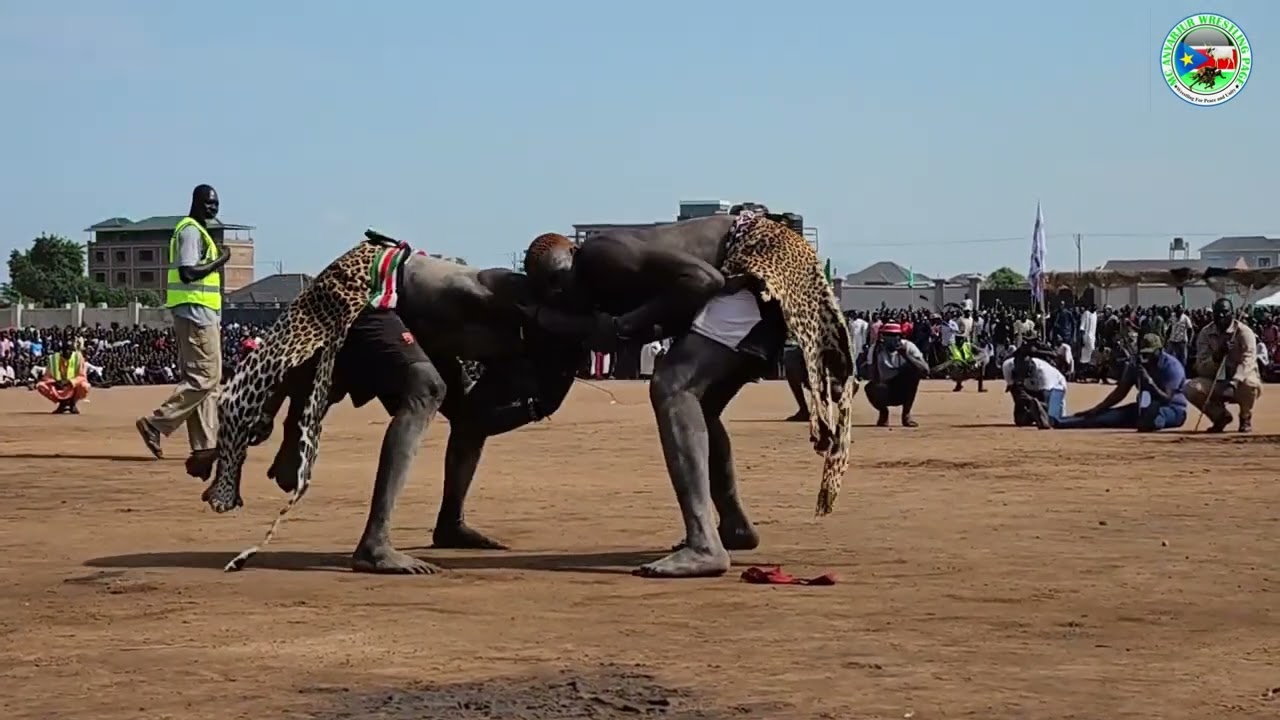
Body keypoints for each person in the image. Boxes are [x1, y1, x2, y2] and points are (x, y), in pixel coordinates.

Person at [135, 184, 230, 464]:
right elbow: (188, 273)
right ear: (196, 202)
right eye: (209, 203)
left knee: (206, 381)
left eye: (216, 203)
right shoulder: (191, 231)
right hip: (196, 313)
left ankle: (204, 445)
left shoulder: (198, 232)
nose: (213, 208)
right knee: (206, 377)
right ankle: (156, 423)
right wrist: (220, 261)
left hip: (200, 313)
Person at [1051, 334, 1186, 431]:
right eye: (1144, 353)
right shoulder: (1137, 364)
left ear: (1160, 351)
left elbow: (1167, 398)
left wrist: (1149, 382)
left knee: (1153, 420)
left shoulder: (1171, 367)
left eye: (1151, 354)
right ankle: (1058, 422)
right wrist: (1096, 410)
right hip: (1143, 406)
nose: (1147, 357)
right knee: (1103, 418)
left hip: (1171, 409)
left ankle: (1148, 421)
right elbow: (1120, 393)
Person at [1184, 297, 1261, 433]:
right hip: (1217, 381)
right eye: (1217, 312)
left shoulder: (1244, 332)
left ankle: (1245, 417)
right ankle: (1220, 416)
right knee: (1191, 388)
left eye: (1225, 312)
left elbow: (1248, 361)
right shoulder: (1205, 334)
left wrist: (1234, 382)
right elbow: (1201, 368)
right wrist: (1217, 356)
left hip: (1240, 382)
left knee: (1251, 382)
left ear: (1232, 313)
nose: (1221, 316)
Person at [864, 322, 927, 427]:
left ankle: (906, 414)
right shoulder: (875, 349)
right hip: (885, 387)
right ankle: (883, 412)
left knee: (913, 374)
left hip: (903, 387)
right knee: (870, 388)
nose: (890, 339)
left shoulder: (909, 347)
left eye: (894, 336)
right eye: (887, 335)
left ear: (900, 337)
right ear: (882, 336)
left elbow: (925, 370)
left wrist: (907, 356)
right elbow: (871, 374)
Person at [1002, 344, 1067, 428]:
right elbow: (1013, 389)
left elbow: (1046, 401)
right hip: (1032, 388)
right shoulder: (1008, 366)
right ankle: (1032, 414)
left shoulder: (1044, 374)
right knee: (1020, 421)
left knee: (1054, 419)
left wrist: (1030, 399)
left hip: (1056, 387)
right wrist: (1021, 402)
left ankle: (1039, 414)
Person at [36, 342, 90, 414]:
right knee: (40, 386)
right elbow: (47, 377)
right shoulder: (53, 359)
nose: (68, 352)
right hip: (58, 386)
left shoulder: (78, 358)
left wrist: (70, 382)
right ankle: (62, 404)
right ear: (61, 351)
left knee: (85, 386)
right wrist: (55, 382)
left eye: (70, 350)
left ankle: (72, 403)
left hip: (73, 386)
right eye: (66, 350)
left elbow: (82, 376)